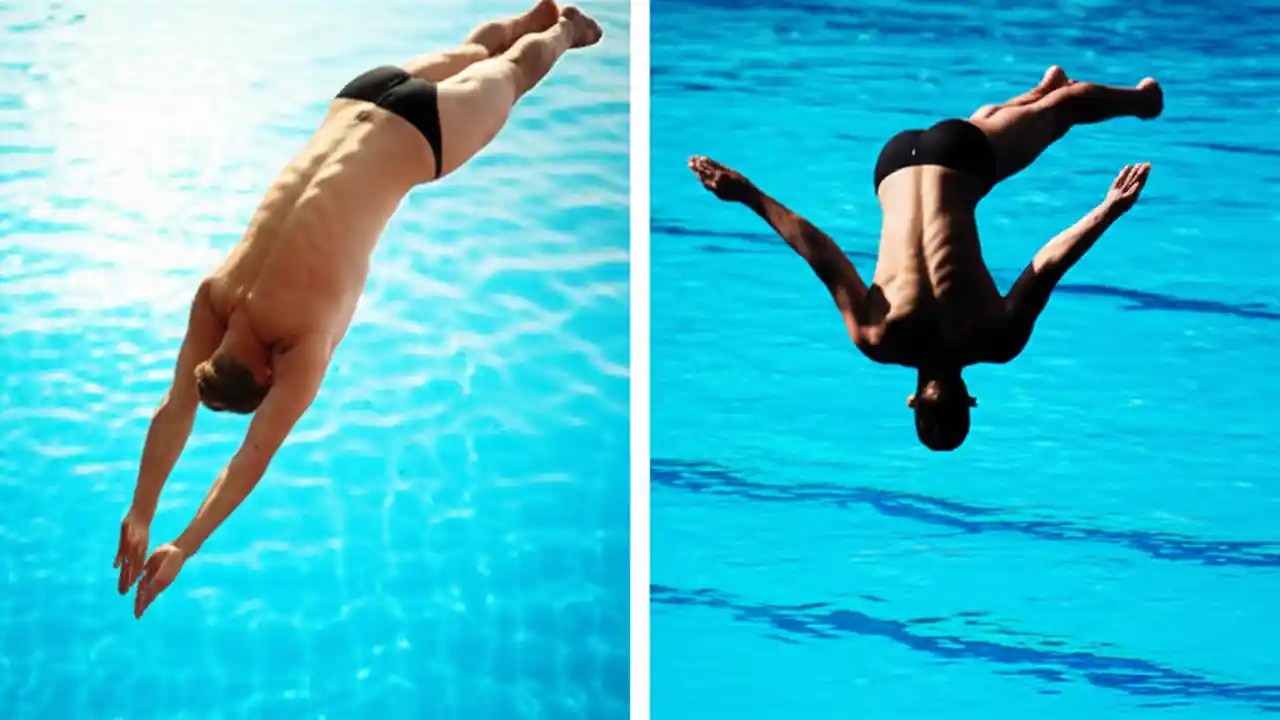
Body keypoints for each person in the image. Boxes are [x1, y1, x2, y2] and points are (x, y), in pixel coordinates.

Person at [114, 1, 603, 619]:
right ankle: (532, 15)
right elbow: (175, 405)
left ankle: (565, 30)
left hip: (421, 133)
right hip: (359, 98)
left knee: (512, 74)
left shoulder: (299, 344)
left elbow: (251, 458)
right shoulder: (217, 296)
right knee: (478, 51)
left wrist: (184, 544)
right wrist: (141, 509)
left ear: (263, 377)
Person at [689, 66, 1161, 451]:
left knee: (1065, 110)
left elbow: (1048, 264)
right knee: (989, 124)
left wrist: (1110, 208)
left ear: (969, 399)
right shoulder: (876, 337)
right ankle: (1038, 92)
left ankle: (1143, 102)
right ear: (912, 400)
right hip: (893, 163)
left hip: (961, 159)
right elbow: (822, 254)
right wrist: (747, 194)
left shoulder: (996, 339)